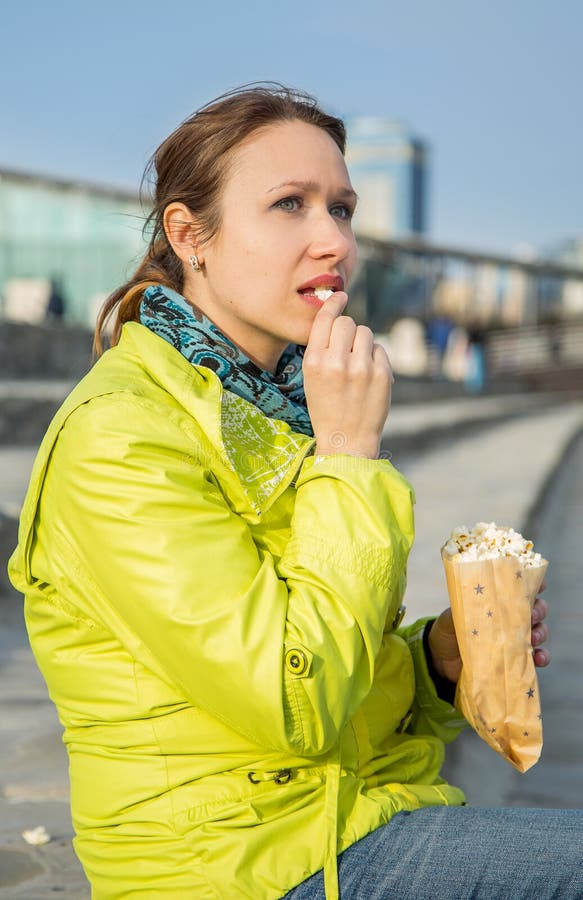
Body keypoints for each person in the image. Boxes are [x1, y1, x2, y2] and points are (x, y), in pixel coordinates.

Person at [8, 84, 579, 900]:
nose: (332, 240)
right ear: (188, 235)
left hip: (343, 820)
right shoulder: (121, 437)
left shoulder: (276, 400)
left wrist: (435, 665)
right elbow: (292, 700)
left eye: (341, 209)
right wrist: (349, 458)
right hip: (234, 867)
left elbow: (331, 671)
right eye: (289, 205)